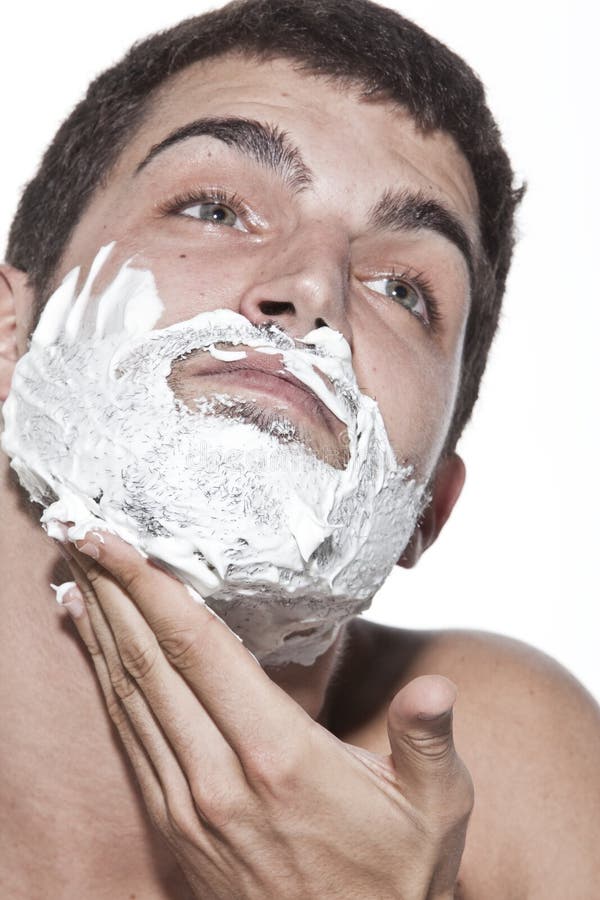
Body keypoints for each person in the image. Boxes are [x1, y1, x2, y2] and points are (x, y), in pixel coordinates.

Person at [1, 0, 598, 896]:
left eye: (403, 289)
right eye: (214, 207)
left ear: (427, 509)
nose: (315, 286)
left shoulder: (516, 769)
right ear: (9, 337)